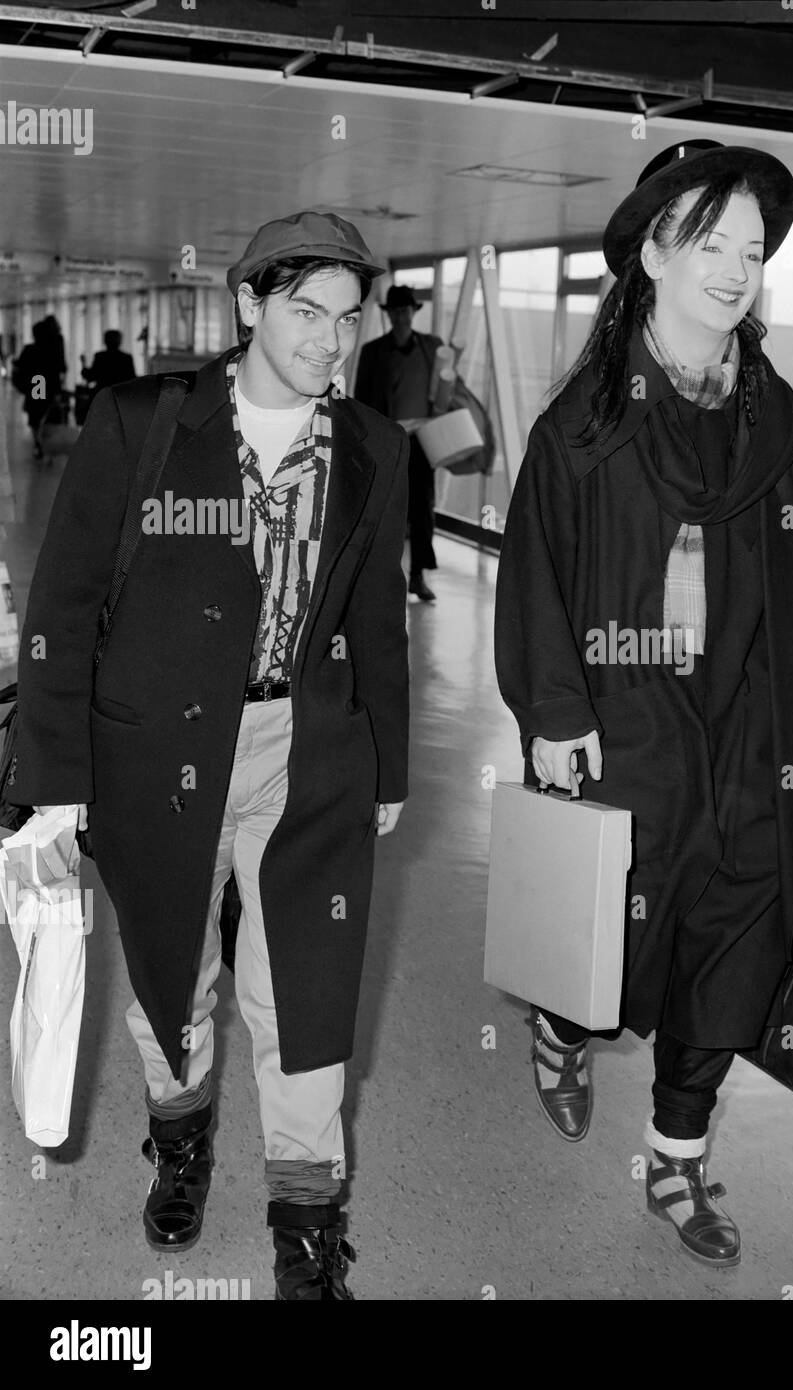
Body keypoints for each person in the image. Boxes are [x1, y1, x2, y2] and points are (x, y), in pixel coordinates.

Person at [11, 210, 411, 1297]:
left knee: (306, 998)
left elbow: (378, 620)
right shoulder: (146, 423)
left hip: (309, 750)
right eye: (305, 311)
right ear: (247, 304)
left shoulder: (376, 450)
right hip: (158, 753)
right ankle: (180, 1145)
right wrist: (52, 779)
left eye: (348, 316)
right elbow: (67, 598)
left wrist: (391, 770)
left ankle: (306, 1219)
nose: (331, 340)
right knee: (172, 984)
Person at [494, 139, 793, 1267]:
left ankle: (675, 1154)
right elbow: (536, 570)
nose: (736, 268)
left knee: (740, 934)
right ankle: (562, 1021)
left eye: (753, 248)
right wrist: (553, 715)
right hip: (627, 715)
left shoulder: (772, 423)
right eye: (712, 243)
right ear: (654, 251)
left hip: (750, 729)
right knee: (617, 928)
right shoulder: (584, 426)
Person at [354, 284, 447, 602]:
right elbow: (362, 401)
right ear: (389, 315)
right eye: (395, 312)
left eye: (405, 311)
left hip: (423, 441)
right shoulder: (373, 352)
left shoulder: (433, 348)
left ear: (413, 313)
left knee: (423, 508)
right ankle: (383, 573)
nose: (401, 317)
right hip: (389, 442)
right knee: (387, 507)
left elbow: (447, 390)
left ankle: (418, 575)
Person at [11, 316, 67, 459]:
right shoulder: (53, 349)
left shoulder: (30, 349)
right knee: (46, 414)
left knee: (36, 416)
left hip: (37, 384)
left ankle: (39, 442)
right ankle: (45, 443)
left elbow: (20, 366)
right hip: (50, 385)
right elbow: (61, 367)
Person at [81, 328, 137, 402]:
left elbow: (91, 376)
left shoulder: (100, 357)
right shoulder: (126, 358)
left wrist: (83, 363)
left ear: (105, 341)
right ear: (120, 341)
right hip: (121, 397)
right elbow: (132, 378)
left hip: (103, 397)